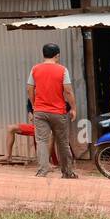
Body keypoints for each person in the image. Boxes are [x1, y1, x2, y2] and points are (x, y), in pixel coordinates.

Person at [29, 43, 77, 178]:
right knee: (62, 141)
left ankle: (42, 171)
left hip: (40, 111)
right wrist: (73, 108)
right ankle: (67, 172)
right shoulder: (62, 70)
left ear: (43, 54)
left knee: (42, 141)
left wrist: (34, 105)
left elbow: (29, 88)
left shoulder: (35, 69)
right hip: (58, 112)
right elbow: (68, 90)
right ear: (57, 55)